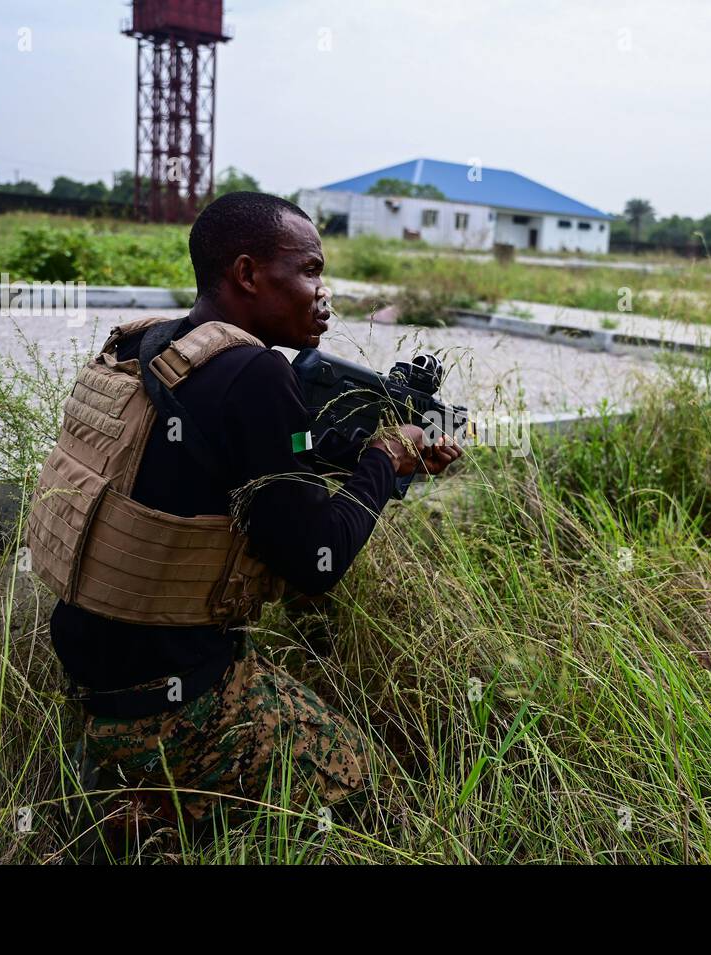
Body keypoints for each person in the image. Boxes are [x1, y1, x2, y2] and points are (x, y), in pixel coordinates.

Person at [36, 191, 461, 830]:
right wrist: (385, 460)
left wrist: (360, 457)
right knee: (377, 798)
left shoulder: (151, 347)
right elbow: (318, 563)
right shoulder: (256, 374)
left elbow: (227, 463)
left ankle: (146, 797)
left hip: (96, 673)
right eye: (310, 270)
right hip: (174, 699)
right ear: (246, 274)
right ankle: (156, 806)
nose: (325, 294)